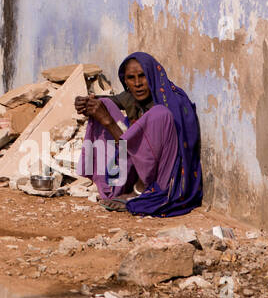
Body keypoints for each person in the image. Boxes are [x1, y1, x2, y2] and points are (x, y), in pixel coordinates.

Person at [74, 51, 202, 217]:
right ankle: (115, 183)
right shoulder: (131, 97)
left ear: (153, 76)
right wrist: (87, 102)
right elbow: (107, 101)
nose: (138, 83)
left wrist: (109, 123)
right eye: (131, 78)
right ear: (125, 81)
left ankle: (142, 190)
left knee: (158, 114)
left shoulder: (171, 101)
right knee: (103, 104)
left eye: (142, 76)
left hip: (165, 172)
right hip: (139, 162)